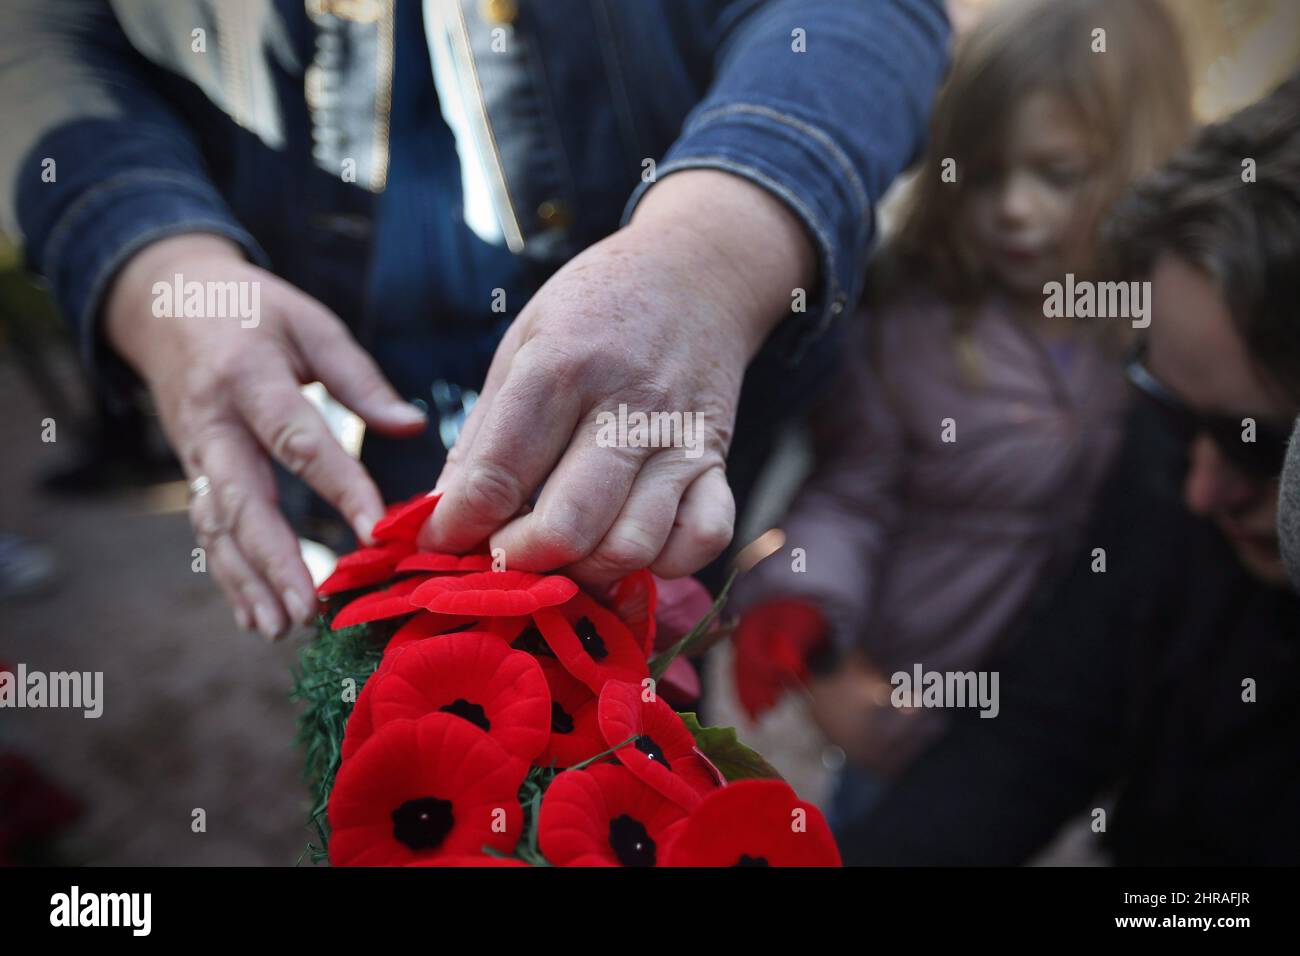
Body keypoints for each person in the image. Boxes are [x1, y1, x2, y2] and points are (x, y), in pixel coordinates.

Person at [0, 1, 950, 638]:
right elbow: (36, 33)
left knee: (631, 711)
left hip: (667, 380)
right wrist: (161, 273)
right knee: (390, 723)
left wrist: (714, 248)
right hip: (313, 403)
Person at [728, 0, 1191, 814]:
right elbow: (850, 493)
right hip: (917, 714)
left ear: (1137, 161)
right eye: (982, 174)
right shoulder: (910, 330)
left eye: (1057, 174)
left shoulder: (1163, 331)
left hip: (1083, 727)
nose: (1014, 208)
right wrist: (799, 605)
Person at [837, 72, 1300, 865]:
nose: (1201, 488)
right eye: (1164, 407)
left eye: (1260, 445)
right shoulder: (1168, 476)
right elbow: (1039, 727)